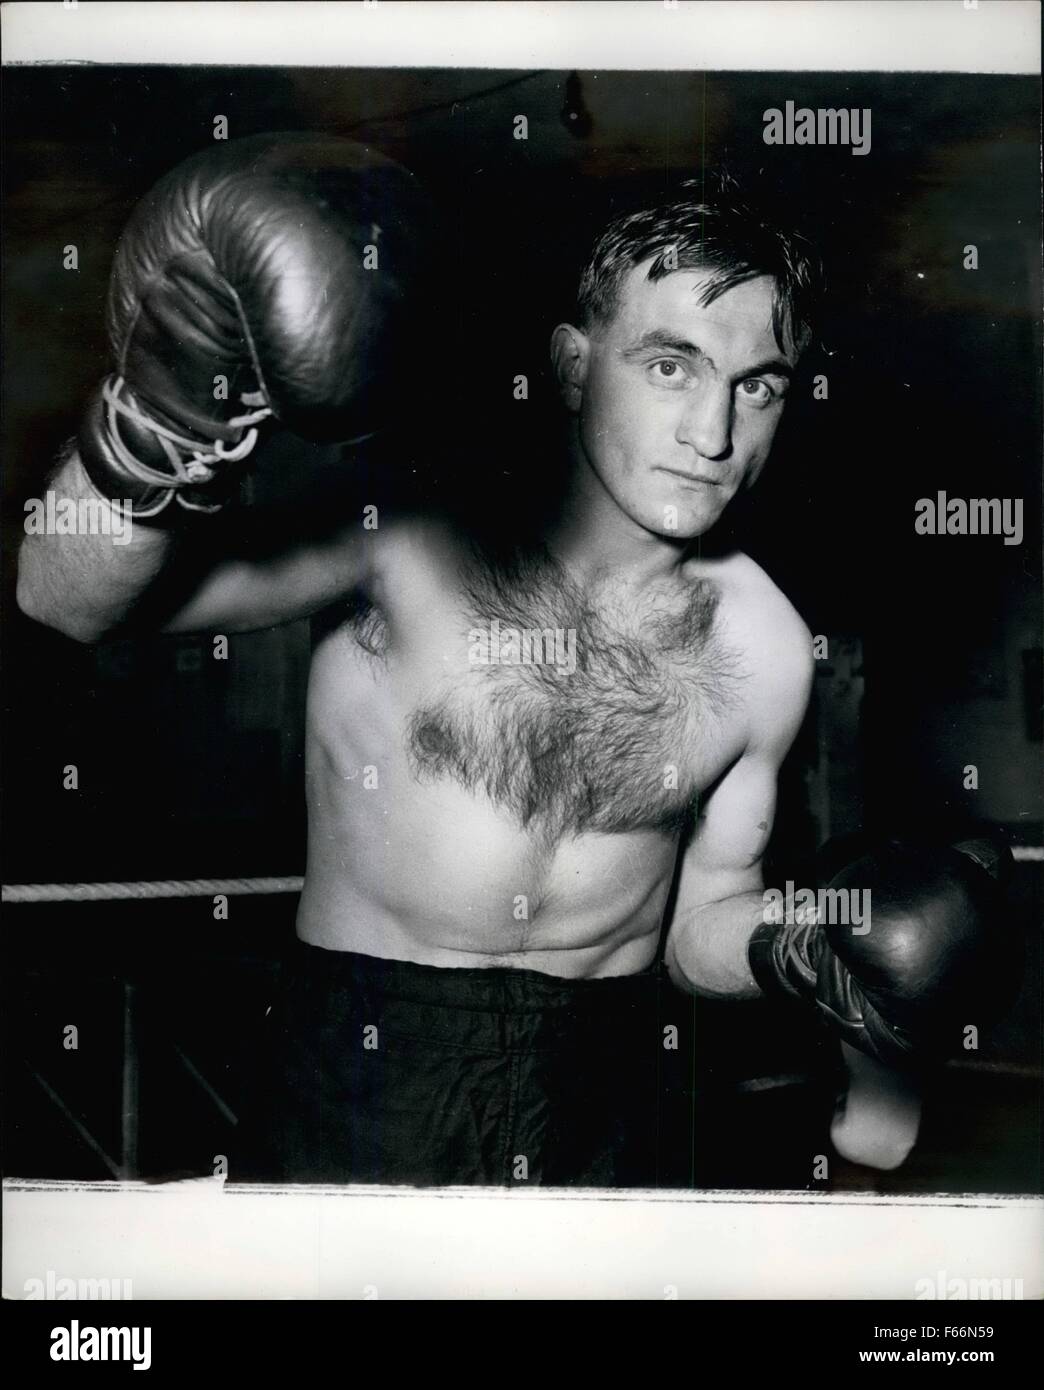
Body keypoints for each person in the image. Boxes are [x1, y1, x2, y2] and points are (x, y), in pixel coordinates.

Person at [16, 133, 1013, 1186]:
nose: (713, 431)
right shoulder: (403, 533)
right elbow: (61, 597)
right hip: (362, 1079)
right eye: (669, 365)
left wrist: (799, 942)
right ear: (575, 365)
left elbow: (696, 928)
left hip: (609, 1105)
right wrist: (163, 414)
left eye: (756, 385)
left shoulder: (764, 643)